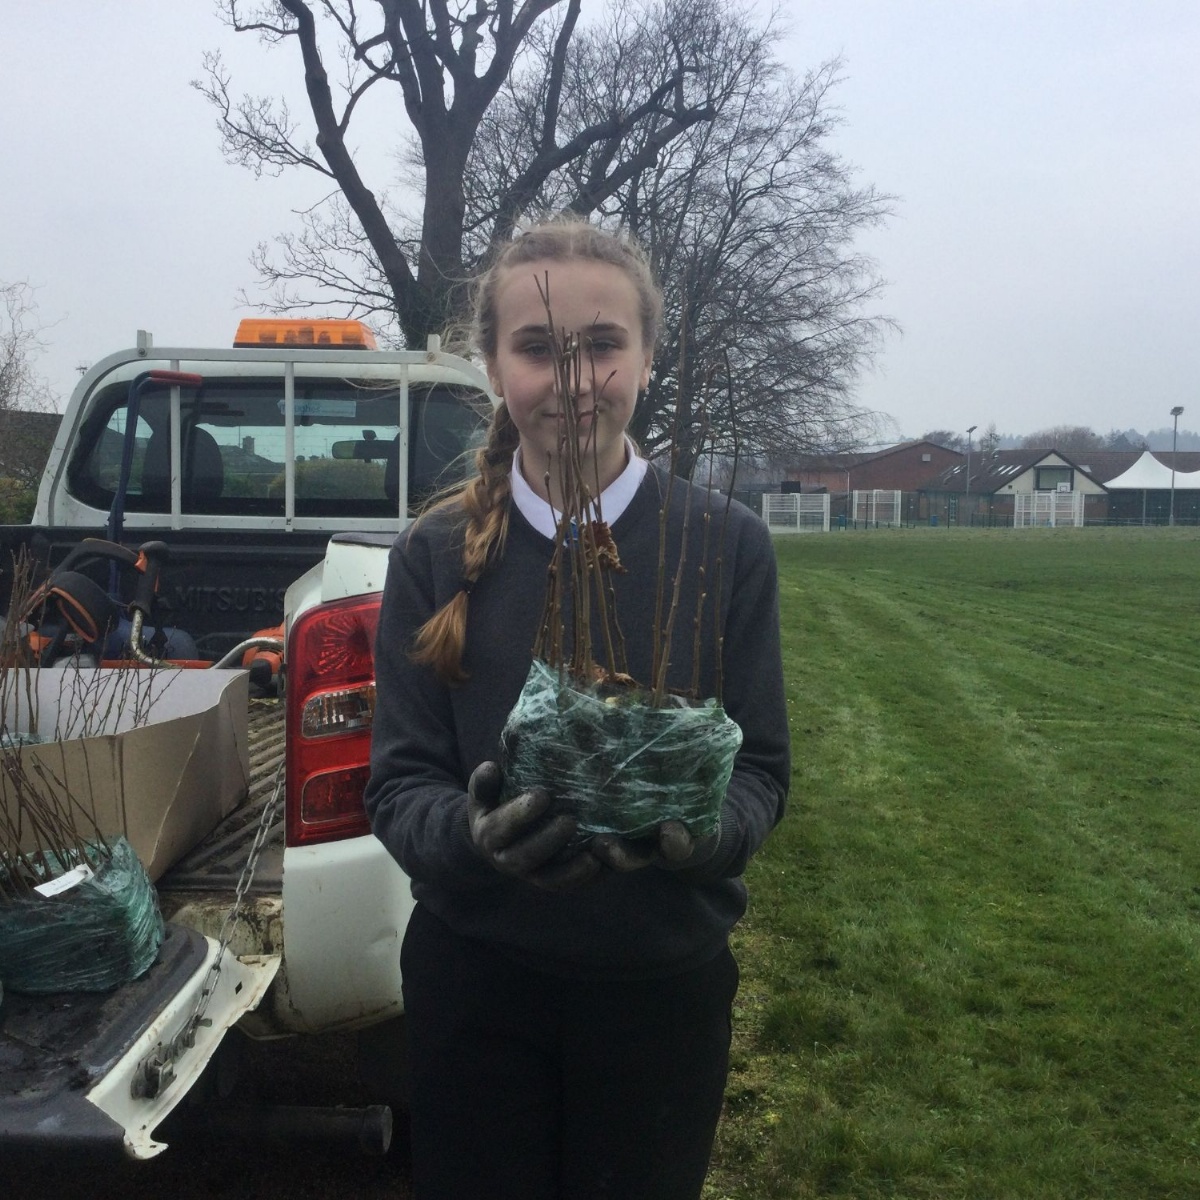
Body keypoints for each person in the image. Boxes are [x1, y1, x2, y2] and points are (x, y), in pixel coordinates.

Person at [364, 218, 789, 1200]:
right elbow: (398, 786)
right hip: (478, 986)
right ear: (492, 364)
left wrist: (702, 836)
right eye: (538, 349)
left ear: (647, 358)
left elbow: (761, 771)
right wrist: (473, 836)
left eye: (602, 345)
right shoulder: (431, 557)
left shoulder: (727, 547)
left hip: (659, 990)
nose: (572, 379)